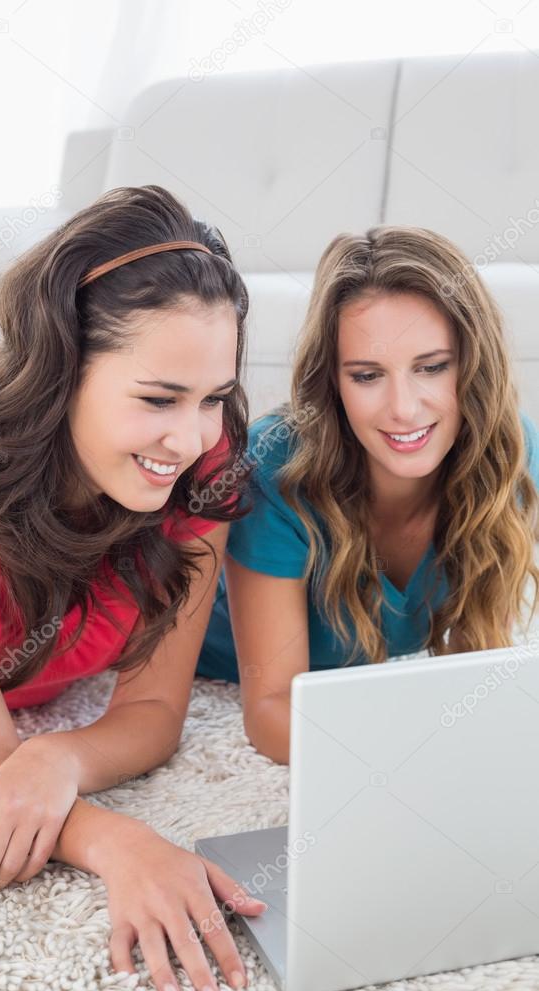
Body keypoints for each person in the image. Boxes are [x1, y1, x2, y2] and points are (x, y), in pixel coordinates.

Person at [0, 185, 267, 991]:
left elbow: (153, 712)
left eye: (212, 398)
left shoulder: (205, 470)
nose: (189, 439)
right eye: (157, 398)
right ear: (62, 369)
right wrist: (124, 845)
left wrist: (58, 751)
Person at [196, 226, 539, 764]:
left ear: (471, 364)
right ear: (333, 382)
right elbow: (270, 709)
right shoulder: (273, 469)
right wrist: (415, 764)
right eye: (367, 375)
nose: (403, 408)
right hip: (213, 662)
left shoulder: (510, 454)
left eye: (431, 367)